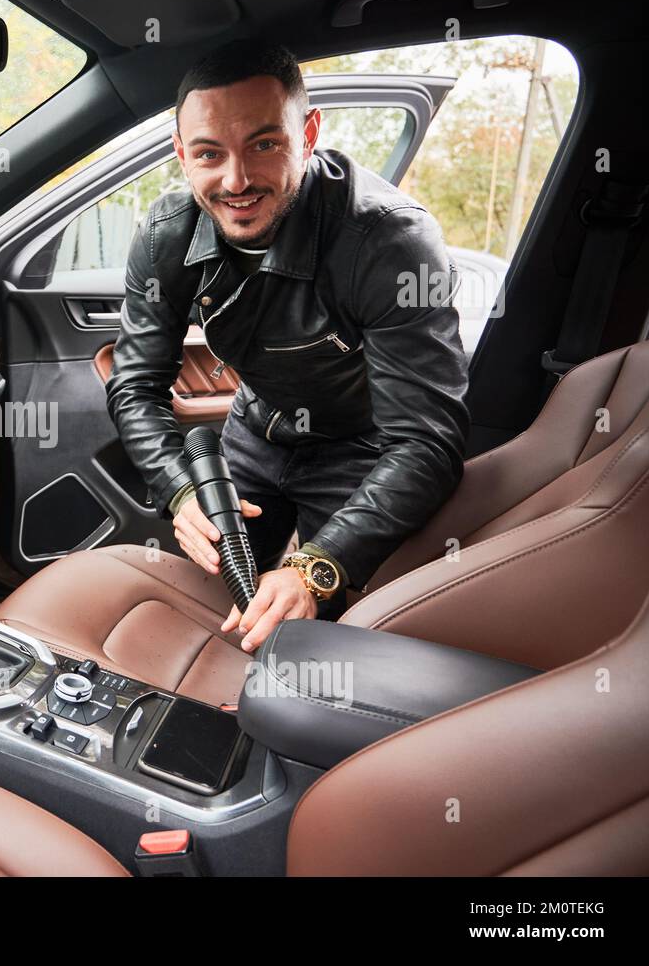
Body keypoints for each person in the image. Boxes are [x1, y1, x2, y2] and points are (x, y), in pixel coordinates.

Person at [105, 40, 470, 653]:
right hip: (253, 429)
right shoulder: (164, 238)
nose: (236, 179)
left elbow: (425, 439)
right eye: (208, 154)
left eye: (264, 144)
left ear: (309, 131)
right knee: (213, 607)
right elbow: (136, 384)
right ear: (181, 153)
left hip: (366, 452)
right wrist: (179, 488)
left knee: (325, 634)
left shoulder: (390, 242)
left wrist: (318, 568)